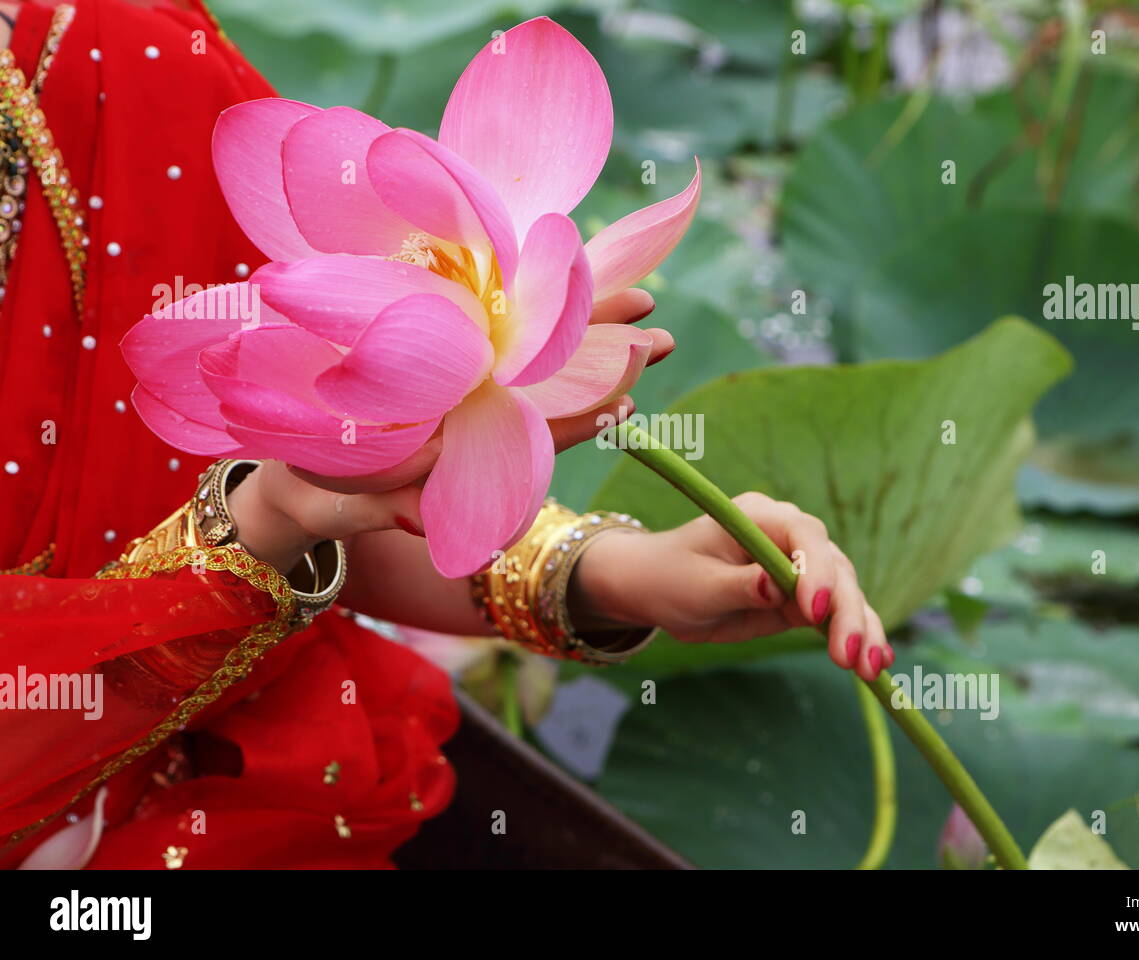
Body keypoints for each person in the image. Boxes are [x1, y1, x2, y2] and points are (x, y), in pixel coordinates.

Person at [0, 0, 891, 869]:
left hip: (244, 782)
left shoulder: (128, 56)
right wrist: (266, 516)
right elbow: (301, 484)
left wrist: (618, 575)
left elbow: (343, 490)